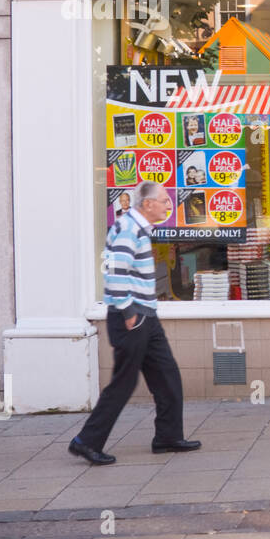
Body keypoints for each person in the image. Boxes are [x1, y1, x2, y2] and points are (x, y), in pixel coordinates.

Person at [70, 181, 200, 464]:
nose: (169, 204)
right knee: (123, 383)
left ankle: (167, 437)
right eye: (164, 199)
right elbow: (115, 273)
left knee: (167, 376)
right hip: (132, 317)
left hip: (145, 317)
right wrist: (130, 313)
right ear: (147, 204)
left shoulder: (138, 228)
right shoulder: (128, 230)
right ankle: (86, 441)